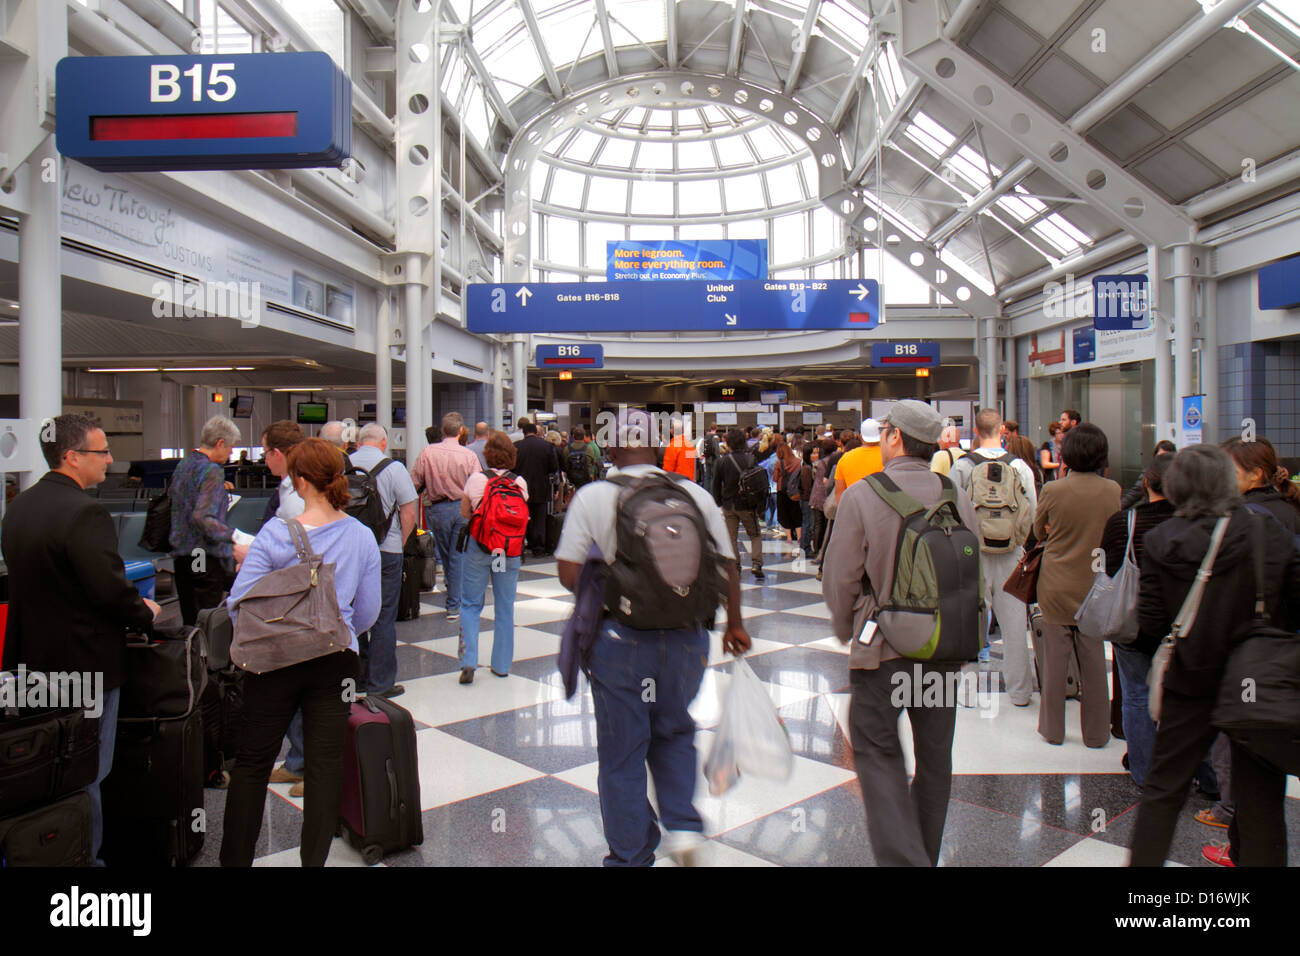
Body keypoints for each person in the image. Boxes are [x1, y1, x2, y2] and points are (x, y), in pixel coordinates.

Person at [555, 409, 751, 866]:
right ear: (660, 448)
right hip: (687, 638)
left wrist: (613, 584)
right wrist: (735, 625)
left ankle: (631, 855)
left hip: (621, 641)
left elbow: (568, 573)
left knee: (623, 753)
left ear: (615, 449)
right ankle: (682, 825)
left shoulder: (595, 496)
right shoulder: (694, 495)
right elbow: (727, 566)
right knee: (675, 731)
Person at [822, 400, 980, 866]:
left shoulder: (863, 495)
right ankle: (924, 856)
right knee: (934, 761)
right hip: (944, 650)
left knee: (875, 751)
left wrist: (843, 627)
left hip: (885, 653)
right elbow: (972, 577)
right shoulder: (955, 494)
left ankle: (903, 861)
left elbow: (840, 578)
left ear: (894, 438)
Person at [1, 414, 162, 866]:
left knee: (41, 768)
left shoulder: (20, 506)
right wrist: (144, 611)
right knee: (86, 770)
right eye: (102, 451)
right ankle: (84, 862)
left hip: (31, 661)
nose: (110, 460)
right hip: (85, 665)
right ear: (72, 457)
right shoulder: (85, 512)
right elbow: (108, 589)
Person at [1129, 445, 1300, 868]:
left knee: (1164, 792)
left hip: (1191, 681)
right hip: (1258, 682)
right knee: (1261, 799)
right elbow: (1295, 600)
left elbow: (1150, 621)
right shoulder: (1267, 531)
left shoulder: (1161, 539)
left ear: (1176, 486)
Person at [220, 438, 381, 867]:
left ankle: (235, 860)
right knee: (326, 765)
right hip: (336, 661)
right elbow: (367, 612)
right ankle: (314, 862)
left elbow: (240, 602)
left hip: (273, 663)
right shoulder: (362, 536)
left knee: (253, 764)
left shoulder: (274, 534)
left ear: (302, 481)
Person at [1032, 422, 1121, 747]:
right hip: (1094, 584)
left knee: (1055, 660)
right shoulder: (1112, 490)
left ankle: (1053, 730)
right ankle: (1097, 734)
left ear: (1067, 454)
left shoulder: (1054, 490)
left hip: (1056, 583)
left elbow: (1038, 531)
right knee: (1094, 662)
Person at [950, 408, 1038, 707]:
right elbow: (1033, 512)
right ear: (1002, 430)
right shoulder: (1020, 467)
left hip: (971, 554)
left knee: (971, 621)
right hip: (1012, 553)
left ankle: (967, 691)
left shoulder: (962, 465)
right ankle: (1020, 692)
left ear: (975, 431)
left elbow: (948, 510)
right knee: (1014, 624)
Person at [1099, 453, 1176, 789]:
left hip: (1133, 623)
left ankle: (1144, 771)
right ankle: (1200, 773)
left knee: (1136, 695)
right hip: (1181, 626)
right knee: (1184, 696)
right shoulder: (1199, 524)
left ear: (1146, 483)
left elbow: (1106, 568)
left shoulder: (1123, 522)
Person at [349, 423, 417, 699]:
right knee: (384, 615)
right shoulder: (394, 468)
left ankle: (358, 678)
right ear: (382, 443)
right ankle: (381, 683)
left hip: (349, 551)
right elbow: (409, 512)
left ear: (358, 443)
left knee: (352, 613)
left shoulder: (344, 466)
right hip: (385, 549)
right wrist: (399, 544)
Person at [456, 431, 528, 684]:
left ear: (487, 455)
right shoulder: (519, 482)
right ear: (511, 456)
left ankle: (468, 661)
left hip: (481, 548)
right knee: (505, 606)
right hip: (508, 552)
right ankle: (501, 665)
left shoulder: (476, 480)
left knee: (470, 604)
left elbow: (466, 513)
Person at [169, 416, 249, 626]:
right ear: (220, 443)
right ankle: (205, 656)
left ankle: (189, 655)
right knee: (206, 617)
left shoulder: (184, 465)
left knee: (189, 614)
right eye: (231, 447)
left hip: (182, 553)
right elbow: (202, 517)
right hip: (202, 554)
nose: (231, 453)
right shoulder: (212, 471)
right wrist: (235, 535)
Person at [410, 412, 480, 621]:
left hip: (437, 509)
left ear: (442, 431)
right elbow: (477, 486)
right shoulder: (469, 456)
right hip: (462, 508)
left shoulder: (427, 452)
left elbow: (414, 482)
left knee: (447, 555)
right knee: (458, 555)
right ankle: (454, 604)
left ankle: (453, 597)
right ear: (460, 431)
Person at [712, 428, 765, 581]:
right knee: (755, 534)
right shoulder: (751, 459)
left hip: (729, 504)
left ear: (728, 444)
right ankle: (756, 563)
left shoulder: (722, 461)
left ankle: (735, 566)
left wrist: (718, 502)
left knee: (731, 538)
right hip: (748, 504)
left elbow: (716, 485)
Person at [1222, 435, 1300, 532]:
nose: (1221, 477)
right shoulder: (1289, 509)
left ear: (1255, 474)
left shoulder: (1244, 517)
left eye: (1229, 471)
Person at [513, 418, 561, 556]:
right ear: (536, 432)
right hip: (541, 487)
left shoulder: (517, 447)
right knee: (539, 518)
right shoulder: (546, 446)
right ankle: (538, 547)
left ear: (523, 432)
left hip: (521, 489)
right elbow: (553, 467)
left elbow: (512, 467)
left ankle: (523, 543)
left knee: (522, 517)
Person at [258, 420, 306, 529]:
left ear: (276, 453)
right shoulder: (292, 486)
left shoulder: (295, 499)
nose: (265, 459)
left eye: (265, 452)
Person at [834, 418, 884, 500]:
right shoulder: (889, 457)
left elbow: (839, 493)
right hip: (882, 508)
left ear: (860, 437)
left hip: (854, 507)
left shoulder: (846, 458)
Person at [1121, 441, 1176, 509]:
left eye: (1166, 457)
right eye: (1160, 456)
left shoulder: (1178, 475)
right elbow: (1134, 494)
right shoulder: (1149, 473)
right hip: (1152, 510)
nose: (1162, 460)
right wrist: (1117, 508)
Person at [563, 425, 601, 490]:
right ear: (583, 437)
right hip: (586, 477)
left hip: (572, 478)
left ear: (573, 436)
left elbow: (564, 463)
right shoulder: (589, 448)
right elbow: (593, 462)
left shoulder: (567, 449)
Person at [662, 416, 697, 481]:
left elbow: (668, 470)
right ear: (683, 430)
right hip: (689, 483)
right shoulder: (690, 446)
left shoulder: (671, 447)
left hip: (677, 484)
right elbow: (691, 467)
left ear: (671, 431)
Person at [700, 423, 721, 493]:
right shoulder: (715, 437)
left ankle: (706, 492)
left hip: (707, 457)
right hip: (714, 458)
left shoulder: (706, 436)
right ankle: (712, 493)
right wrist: (718, 459)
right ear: (716, 428)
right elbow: (716, 450)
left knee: (707, 476)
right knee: (713, 476)